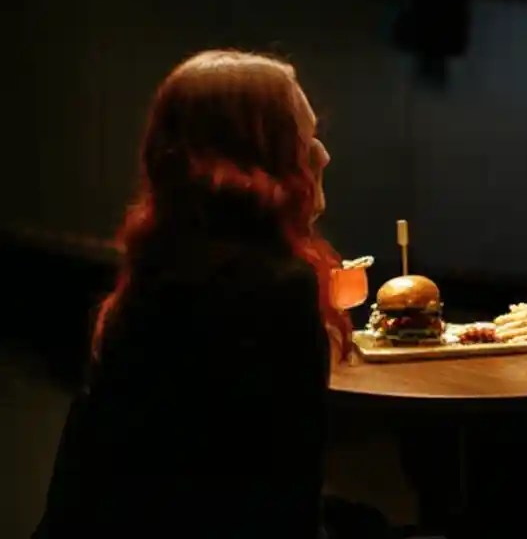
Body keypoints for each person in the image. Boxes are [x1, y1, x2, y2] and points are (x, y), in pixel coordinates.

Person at [32, 51, 384, 538]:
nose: (322, 156)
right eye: (302, 143)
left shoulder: (164, 268)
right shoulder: (272, 288)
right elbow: (280, 495)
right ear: (259, 163)